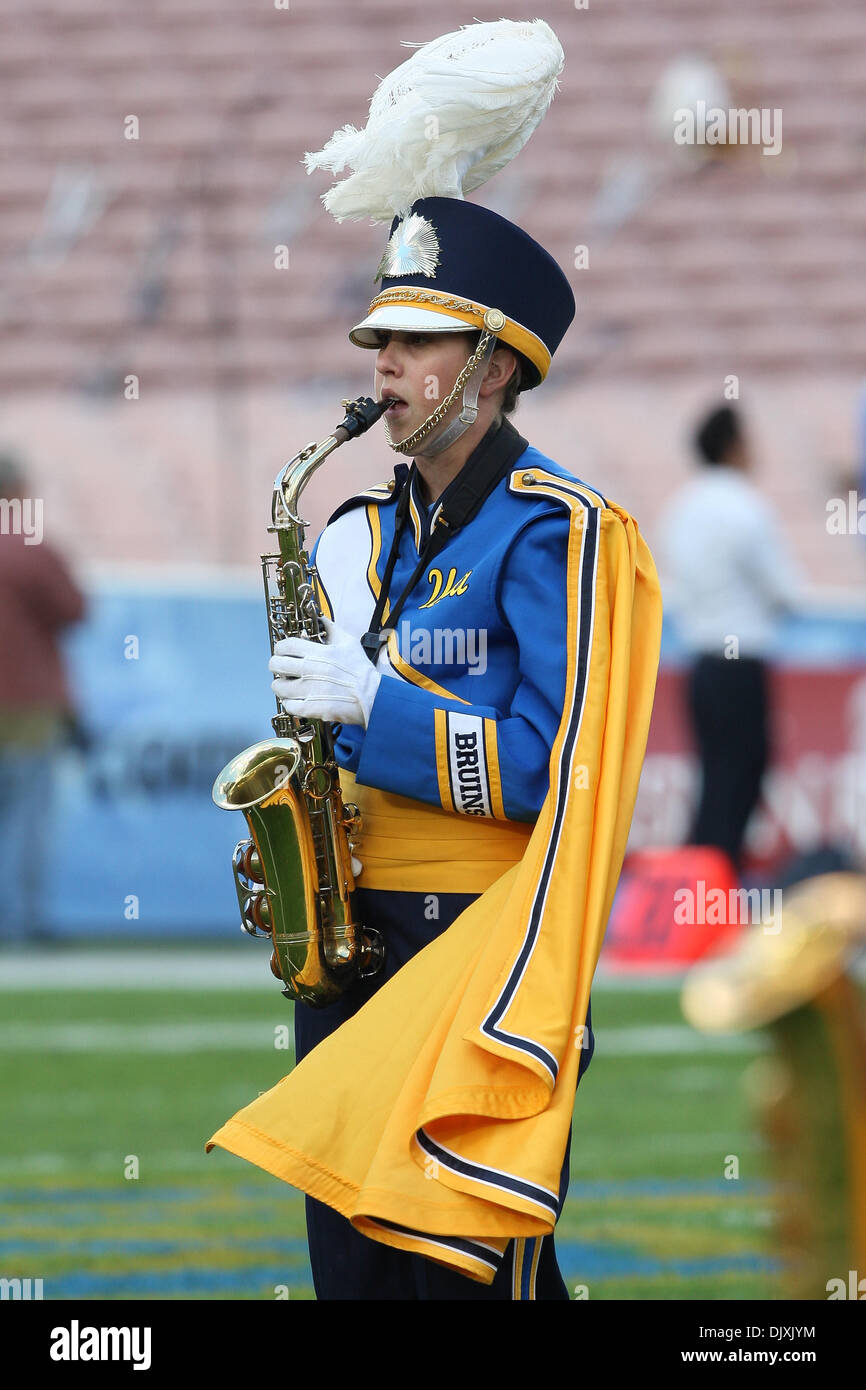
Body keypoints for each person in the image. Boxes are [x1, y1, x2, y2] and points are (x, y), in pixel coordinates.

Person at [207, 18, 662, 1301]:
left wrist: (376, 704)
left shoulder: (560, 532)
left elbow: (546, 768)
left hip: (480, 947)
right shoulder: (355, 527)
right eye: (379, 344)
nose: (385, 368)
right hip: (349, 946)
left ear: (498, 365)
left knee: (470, 1282)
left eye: (415, 344)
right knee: (351, 1280)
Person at [660, 403, 801, 869]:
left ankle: (697, 888)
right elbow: (784, 591)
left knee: (715, 779)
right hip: (740, 667)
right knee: (741, 779)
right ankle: (718, 886)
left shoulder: (680, 508)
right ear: (734, 446)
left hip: (700, 665)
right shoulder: (746, 505)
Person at [0, 450, 86, 940]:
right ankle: (19, 922)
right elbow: (73, 609)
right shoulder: (29, 549)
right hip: (27, 706)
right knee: (25, 820)